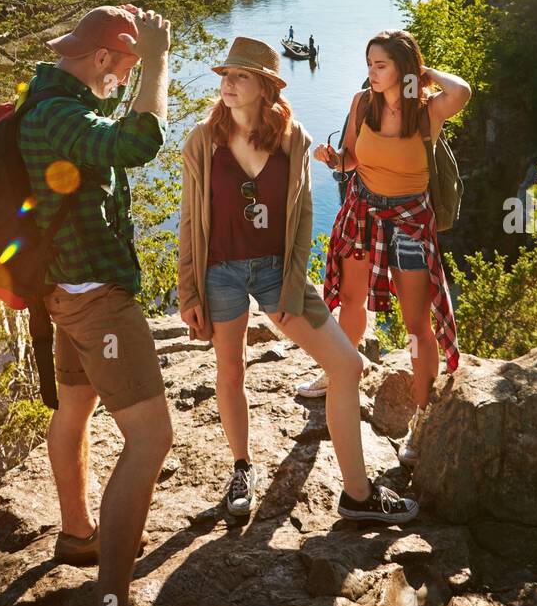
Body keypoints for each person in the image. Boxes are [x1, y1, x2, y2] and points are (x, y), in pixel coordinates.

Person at [179, 36, 418, 524]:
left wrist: (290, 287)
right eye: (225, 74)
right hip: (219, 270)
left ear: (265, 87)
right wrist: (189, 292)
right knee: (230, 372)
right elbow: (188, 220)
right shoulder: (202, 139)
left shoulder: (293, 139)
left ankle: (356, 496)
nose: (227, 83)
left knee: (347, 367)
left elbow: (302, 219)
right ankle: (241, 468)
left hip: (274, 271)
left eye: (240, 76)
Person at [17, 4, 173, 606]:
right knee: (150, 439)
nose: (124, 78)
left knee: (76, 404)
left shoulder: (50, 96)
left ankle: (78, 535)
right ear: (103, 58)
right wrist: (157, 60)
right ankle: (113, 598)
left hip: (64, 291)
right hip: (94, 300)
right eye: (123, 66)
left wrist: (136, 72)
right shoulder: (58, 112)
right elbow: (135, 142)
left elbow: (108, 118)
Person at [306, 30, 471, 466]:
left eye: (381, 65)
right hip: (363, 211)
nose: (371, 74)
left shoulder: (427, 112)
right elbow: (351, 159)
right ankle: (336, 375)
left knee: (417, 325)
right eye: (369, 65)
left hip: (410, 222)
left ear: (403, 68)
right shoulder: (363, 104)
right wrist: (332, 159)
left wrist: (425, 73)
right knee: (352, 302)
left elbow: (463, 91)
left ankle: (421, 416)